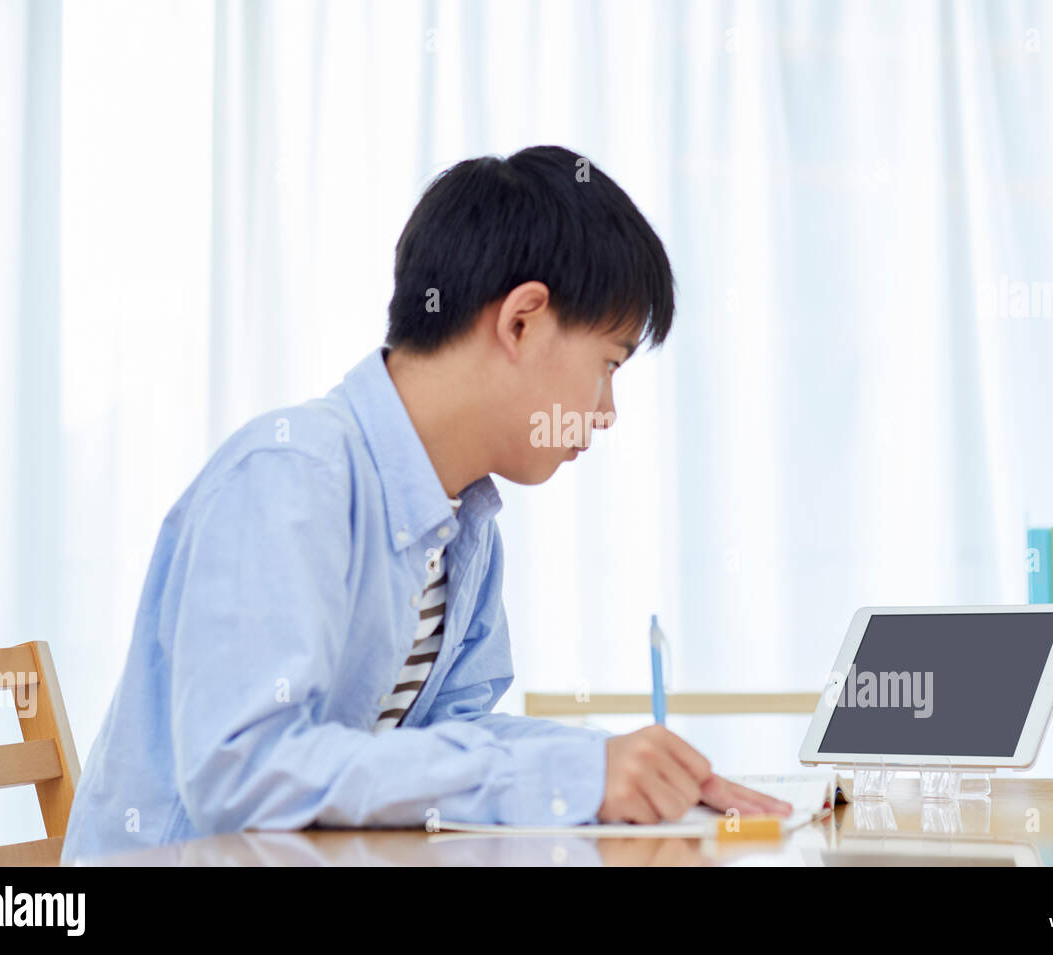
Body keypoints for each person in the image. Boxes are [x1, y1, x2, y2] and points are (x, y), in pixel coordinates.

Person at [60, 146, 790, 863]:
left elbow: (452, 736)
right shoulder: (291, 477)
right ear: (522, 321)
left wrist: (615, 765)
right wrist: (573, 776)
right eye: (609, 363)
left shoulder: (466, 527)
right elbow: (245, 776)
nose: (607, 413)